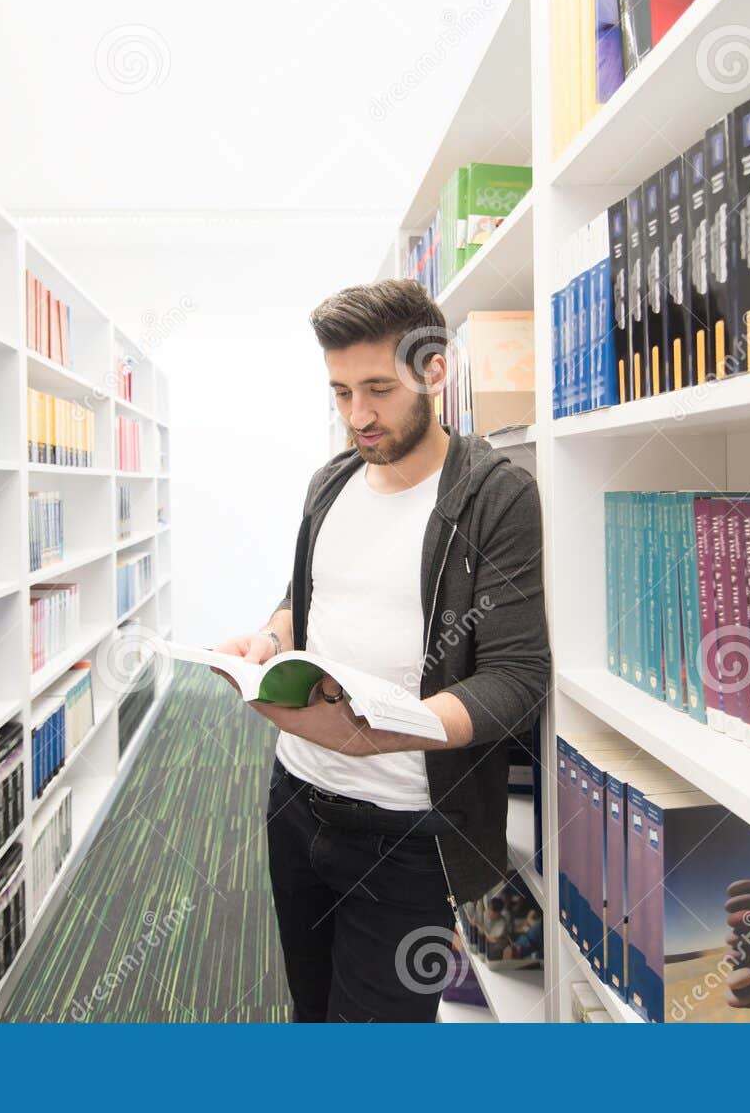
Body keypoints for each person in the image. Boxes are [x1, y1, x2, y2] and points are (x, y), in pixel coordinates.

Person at [214, 278, 552, 1022]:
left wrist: (385, 734)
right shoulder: (330, 482)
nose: (358, 416)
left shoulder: (494, 495)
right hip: (296, 800)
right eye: (339, 393)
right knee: (309, 1009)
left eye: (376, 388)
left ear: (435, 371)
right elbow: (304, 599)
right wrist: (269, 639)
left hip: (407, 830)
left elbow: (519, 677)